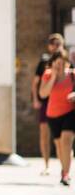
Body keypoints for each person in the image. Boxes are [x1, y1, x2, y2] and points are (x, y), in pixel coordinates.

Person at [38, 46, 75, 186]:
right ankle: (64, 169)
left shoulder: (72, 75)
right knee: (60, 147)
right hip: (53, 115)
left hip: (70, 113)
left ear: (66, 63)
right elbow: (43, 94)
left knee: (66, 140)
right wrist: (53, 77)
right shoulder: (47, 74)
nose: (59, 66)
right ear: (53, 63)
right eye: (56, 64)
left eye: (61, 63)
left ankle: (65, 175)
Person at [34, 33, 66, 174]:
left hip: (62, 102)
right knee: (45, 134)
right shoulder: (44, 62)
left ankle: (64, 167)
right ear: (49, 45)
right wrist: (36, 99)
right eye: (52, 43)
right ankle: (46, 165)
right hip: (46, 101)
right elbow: (35, 83)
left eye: (58, 43)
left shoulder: (66, 61)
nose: (55, 45)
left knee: (60, 139)